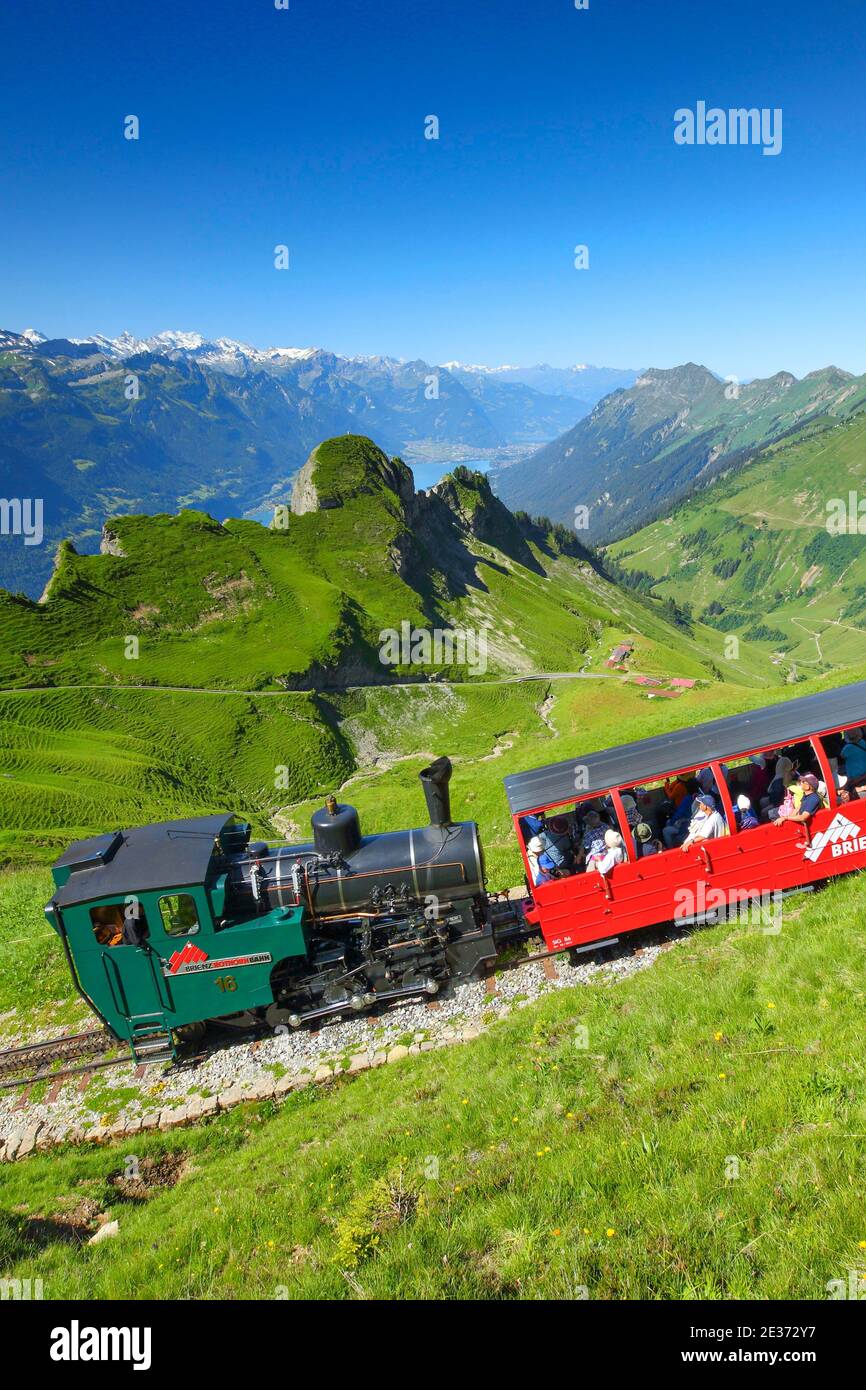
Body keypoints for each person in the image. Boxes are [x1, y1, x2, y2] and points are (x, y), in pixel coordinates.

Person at [662, 778, 700, 848]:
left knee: (665, 830)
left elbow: (679, 813)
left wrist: (671, 822)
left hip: (687, 825)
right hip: (690, 822)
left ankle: (671, 849)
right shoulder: (700, 796)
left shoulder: (687, 798)